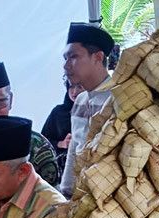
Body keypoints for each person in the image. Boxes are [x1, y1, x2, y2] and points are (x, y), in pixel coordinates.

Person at [58, 22, 115, 198]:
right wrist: (66, 191)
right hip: (81, 198)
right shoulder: (81, 101)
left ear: (98, 57)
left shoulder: (118, 98)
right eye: (65, 58)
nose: (66, 66)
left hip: (111, 201)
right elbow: (74, 150)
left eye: (73, 57)